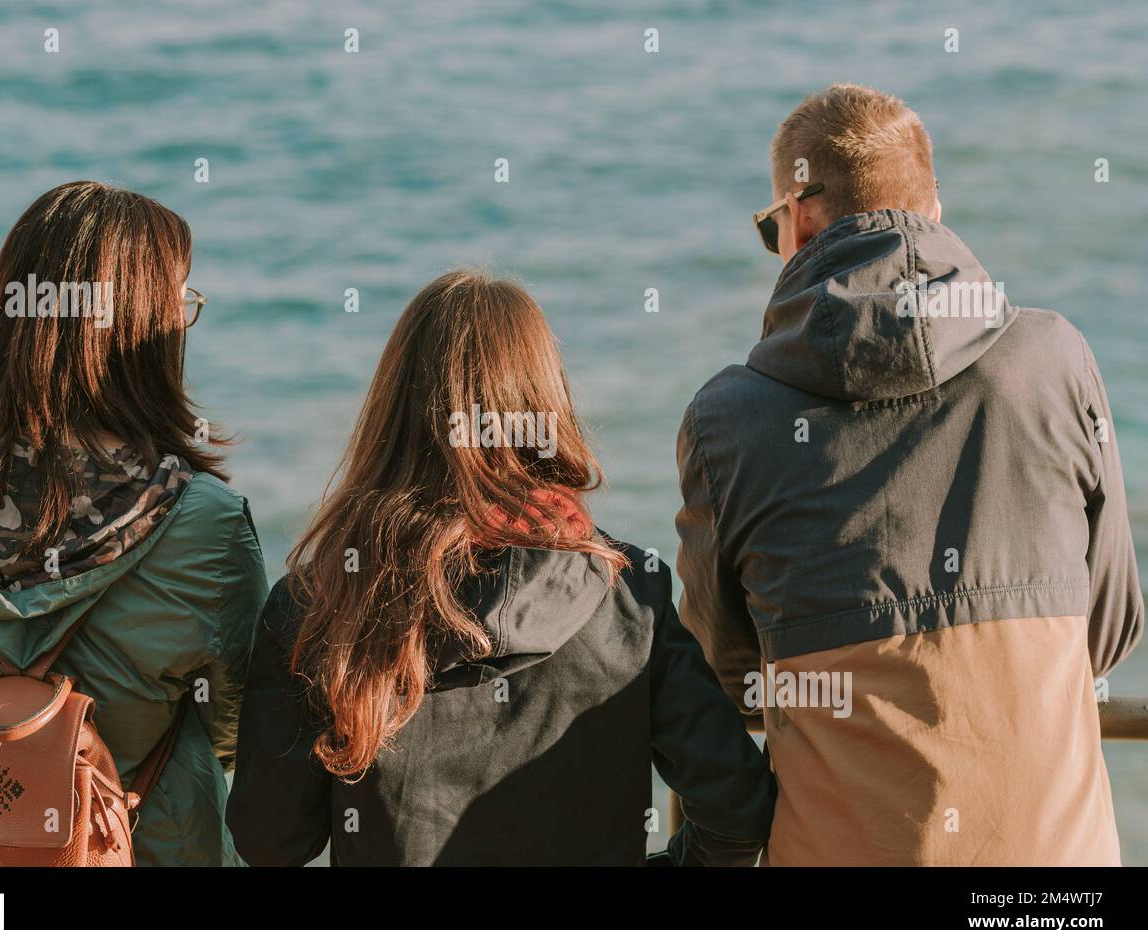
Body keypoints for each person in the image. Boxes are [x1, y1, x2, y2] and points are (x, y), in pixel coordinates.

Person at [675, 83, 1143, 865]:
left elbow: (722, 672)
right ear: (936, 209)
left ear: (800, 218)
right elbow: (1111, 625)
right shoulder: (1055, 360)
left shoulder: (729, 421)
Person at [227, 270, 775, 866]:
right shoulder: (629, 596)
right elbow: (737, 812)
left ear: (393, 414)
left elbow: (270, 841)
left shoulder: (320, 603)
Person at [0, 181, 267, 865]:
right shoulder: (206, 523)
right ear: (144, 331)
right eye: (181, 307)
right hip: (142, 844)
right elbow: (237, 729)